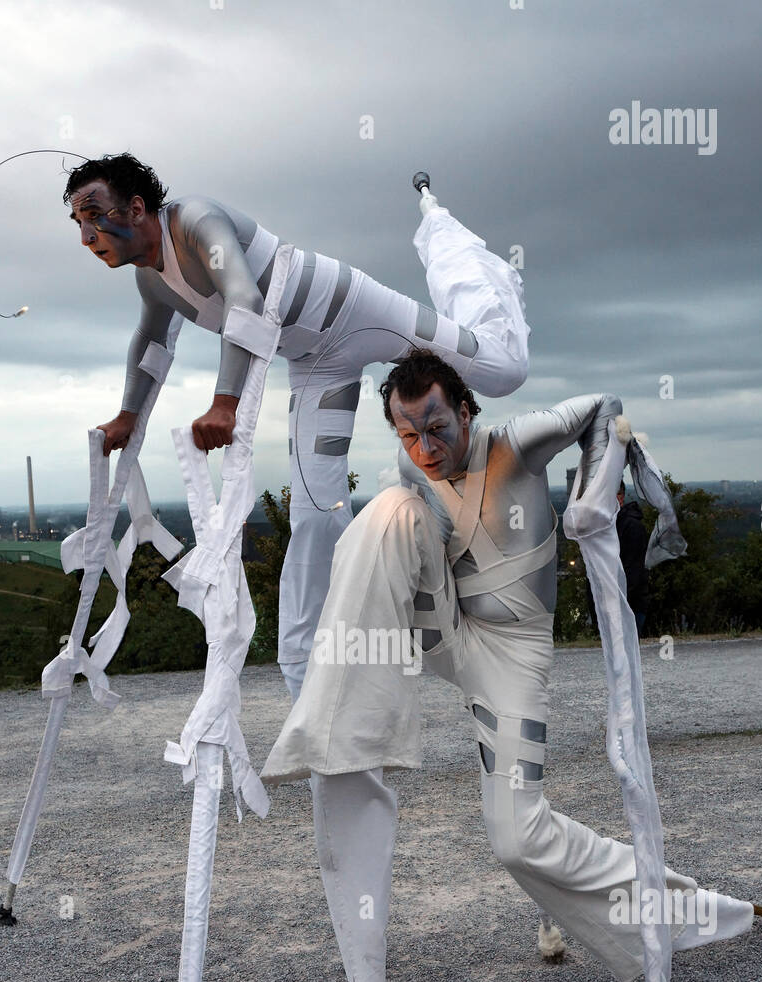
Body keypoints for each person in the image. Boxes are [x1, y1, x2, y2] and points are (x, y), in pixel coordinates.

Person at [260, 349, 762, 982]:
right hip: (442, 628)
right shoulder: (411, 476)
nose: (424, 446)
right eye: (407, 433)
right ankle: (341, 732)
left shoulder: (516, 447)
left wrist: (589, 498)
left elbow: (604, 410)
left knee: (518, 837)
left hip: (510, 654)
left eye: (436, 427)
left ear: (466, 410)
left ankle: (687, 910)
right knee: (387, 511)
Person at [63, 153, 530, 698]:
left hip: (356, 311)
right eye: (78, 223)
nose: (86, 236)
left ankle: (453, 257)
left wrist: (225, 402)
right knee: (315, 516)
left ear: (135, 207)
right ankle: (312, 685)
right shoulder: (152, 282)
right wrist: (128, 416)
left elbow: (245, 297)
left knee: (504, 370)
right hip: (315, 367)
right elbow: (151, 344)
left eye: (92, 215)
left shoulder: (194, 221)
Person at [586, 478, 650, 636]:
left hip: (628, 607)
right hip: (606, 608)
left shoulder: (632, 527)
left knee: (626, 656)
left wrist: (615, 607)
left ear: (620, 497)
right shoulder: (600, 527)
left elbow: (631, 573)